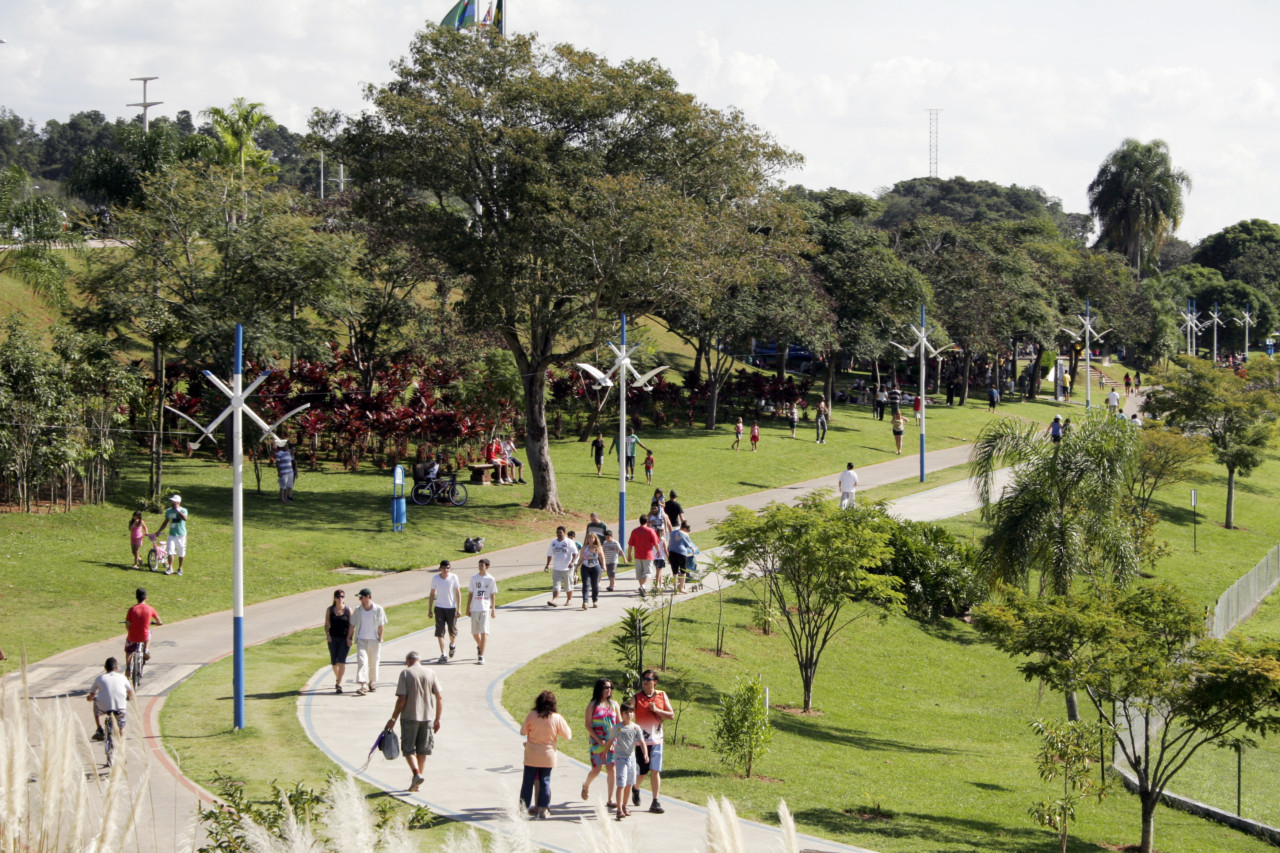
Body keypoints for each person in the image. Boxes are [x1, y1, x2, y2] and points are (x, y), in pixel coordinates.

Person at [386, 650, 443, 793]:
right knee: (423, 750)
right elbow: (439, 697)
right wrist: (438, 718)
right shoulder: (430, 672)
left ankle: (416, 774)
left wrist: (393, 718)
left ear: (409, 660)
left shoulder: (406, 673)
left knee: (408, 749)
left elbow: (402, 699)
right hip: (428, 717)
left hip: (410, 717)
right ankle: (418, 780)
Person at [519, 690, 572, 819]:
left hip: (532, 754)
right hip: (548, 755)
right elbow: (568, 735)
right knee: (545, 782)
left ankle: (523, 809)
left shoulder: (532, 715)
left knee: (527, 782)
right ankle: (543, 808)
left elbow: (523, 731)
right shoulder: (556, 718)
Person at [633, 669, 673, 813]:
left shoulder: (662, 695)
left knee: (655, 770)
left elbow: (671, 715)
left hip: (657, 740)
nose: (645, 681)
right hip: (642, 742)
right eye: (643, 679)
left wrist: (657, 710)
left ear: (655, 681)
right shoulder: (637, 697)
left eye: (648, 679)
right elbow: (627, 712)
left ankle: (655, 801)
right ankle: (635, 788)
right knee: (642, 773)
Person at [582, 678, 619, 808]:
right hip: (597, 742)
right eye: (606, 688)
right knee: (596, 770)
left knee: (611, 768)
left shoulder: (614, 705)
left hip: (612, 742)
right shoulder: (593, 705)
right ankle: (586, 785)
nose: (609, 690)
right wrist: (598, 739)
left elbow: (619, 723)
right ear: (600, 689)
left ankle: (610, 799)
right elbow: (587, 724)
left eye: (611, 688)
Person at [606, 700, 647, 821]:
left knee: (629, 784)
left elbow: (642, 742)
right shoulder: (617, 728)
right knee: (621, 784)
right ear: (622, 714)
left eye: (631, 712)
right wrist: (604, 753)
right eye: (626, 712)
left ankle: (625, 806)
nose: (629, 714)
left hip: (631, 758)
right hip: (620, 758)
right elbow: (610, 741)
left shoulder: (635, 727)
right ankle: (619, 808)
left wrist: (645, 754)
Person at [87, 657, 134, 749]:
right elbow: (130, 692)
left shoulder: (100, 678)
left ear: (105, 668)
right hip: (120, 707)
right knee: (120, 729)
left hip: (103, 707)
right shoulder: (122, 677)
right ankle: (121, 747)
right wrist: (128, 697)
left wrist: (89, 698)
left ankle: (99, 728)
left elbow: (92, 694)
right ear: (116, 668)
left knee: (95, 702)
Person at [348, 588, 387, 695]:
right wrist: (349, 637)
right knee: (362, 662)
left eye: (362, 597)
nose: (360, 599)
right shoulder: (358, 610)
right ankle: (363, 685)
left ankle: (371, 682)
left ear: (368, 597)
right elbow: (352, 624)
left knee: (373, 662)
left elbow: (381, 624)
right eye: (359, 597)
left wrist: (380, 637)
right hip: (361, 640)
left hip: (374, 640)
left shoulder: (378, 609)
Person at [124, 587, 162, 682]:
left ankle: (128, 667)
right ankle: (146, 649)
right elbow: (159, 620)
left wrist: (130, 632)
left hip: (133, 636)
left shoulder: (132, 609)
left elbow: (128, 624)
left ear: (136, 597)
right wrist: (157, 623)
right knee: (149, 632)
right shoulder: (150, 609)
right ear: (146, 598)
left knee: (129, 651)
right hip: (144, 636)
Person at [465, 558, 498, 664]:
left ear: (487, 567)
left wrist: (493, 609)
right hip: (475, 608)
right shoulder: (474, 578)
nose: (480, 567)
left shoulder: (491, 579)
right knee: (475, 632)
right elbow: (470, 594)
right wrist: (467, 608)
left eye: (482, 566)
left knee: (484, 632)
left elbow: (492, 595)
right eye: (479, 565)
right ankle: (480, 645)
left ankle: (481, 656)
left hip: (485, 608)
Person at [428, 560, 461, 663]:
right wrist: (430, 609)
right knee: (440, 632)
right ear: (440, 568)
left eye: (448, 568)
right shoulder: (436, 579)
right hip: (439, 608)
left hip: (451, 608)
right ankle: (443, 654)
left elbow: (458, 593)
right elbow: (432, 594)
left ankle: (452, 645)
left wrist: (459, 608)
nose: (446, 570)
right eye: (444, 568)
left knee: (452, 631)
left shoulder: (454, 577)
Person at [324, 589, 351, 693]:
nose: (340, 599)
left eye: (342, 597)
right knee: (334, 662)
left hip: (344, 639)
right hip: (333, 638)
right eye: (339, 597)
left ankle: (338, 684)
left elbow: (351, 625)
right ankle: (338, 678)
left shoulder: (348, 610)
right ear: (334, 598)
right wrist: (328, 634)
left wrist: (349, 637)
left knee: (341, 661)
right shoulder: (330, 610)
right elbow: (327, 624)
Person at [154, 493, 188, 575]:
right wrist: (159, 531)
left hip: (181, 534)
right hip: (172, 534)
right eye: (172, 501)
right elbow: (166, 522)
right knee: (170, 551)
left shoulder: (183, 510)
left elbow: (185, 518)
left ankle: (180, 568)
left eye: (173, 501)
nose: (172, 503)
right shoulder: (169, 511)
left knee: (181, 551)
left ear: (178, 502)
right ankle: (170, 568)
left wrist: (178, 510)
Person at [627, 515, 661, 596]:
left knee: (640, 573)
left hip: (638, 555)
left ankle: (642, 588)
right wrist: (658, 551)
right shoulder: (651, 531)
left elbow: (630, 545)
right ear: (647, 521)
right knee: (648, 573)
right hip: (648, 555)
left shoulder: (634, 531)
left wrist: (629, 555)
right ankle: (643, 586)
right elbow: (656, 543)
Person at [544, 526, 577, 606]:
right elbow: (549, 554)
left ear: (564, 533)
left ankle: (569, 600)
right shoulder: (553, 542)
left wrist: (572, 562)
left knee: (568, 585)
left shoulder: (569, 542)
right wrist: (547, 565)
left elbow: (575, 553)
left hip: (567, 568)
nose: (559, 534)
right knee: (556, 585)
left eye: (560, 532)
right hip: (556, 568)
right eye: (557, 532)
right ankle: (554, 600)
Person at [579, 533, 606, 609]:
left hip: (595, 567)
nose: (590, 539)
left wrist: (604, 565)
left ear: (595, 539)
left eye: (592, 538)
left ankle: (595, 600)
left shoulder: (598, 547)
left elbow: (602, 557)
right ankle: (585, 601)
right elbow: (581, 558)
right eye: (589, 538)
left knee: (595, 585)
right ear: (587, 539)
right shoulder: (584, 548)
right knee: (586, 584)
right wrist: (577, 567)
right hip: (585, 567)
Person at [667, 521, 695, 593]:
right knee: (683, 571)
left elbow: (670, 542)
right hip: (681, 553)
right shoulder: (685, 534)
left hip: (672, 552)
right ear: (685, 528)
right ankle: (681, 588)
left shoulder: (672, 533)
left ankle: (675, 588)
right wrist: (693, 549)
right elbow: (688, 544)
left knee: (675, 572)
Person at [274, 439, 295, 503]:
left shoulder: (288, 452)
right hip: (283, 472)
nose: (287, 447)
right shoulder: (279, 453)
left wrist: (292, 453)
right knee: (283, 486)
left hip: (290, 471)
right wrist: (279, 471)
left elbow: (292, 459)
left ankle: (286, 498)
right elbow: (277, 463)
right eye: (286, 446)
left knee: (288, 485)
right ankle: (282, 498)